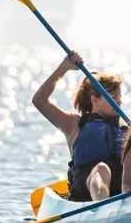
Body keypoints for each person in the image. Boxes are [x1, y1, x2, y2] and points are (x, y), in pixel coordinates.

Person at [32, 53, 126, 201]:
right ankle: (103, 207)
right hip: (85, 189)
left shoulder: (125, 127)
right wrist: (64, 68)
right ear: (94, 99)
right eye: (113, 97)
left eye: (119, 96)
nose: (119, 102)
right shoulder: (74, 124)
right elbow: (40, 101)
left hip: (123, 187)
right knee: (101, 169)